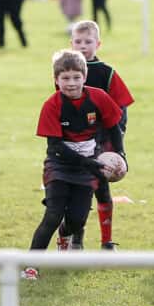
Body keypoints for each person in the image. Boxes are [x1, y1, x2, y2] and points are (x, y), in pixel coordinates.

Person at [20, 49, 126, 280]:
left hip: (87, 168)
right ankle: (31, 266)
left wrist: (120, 155)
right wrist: (87, 163)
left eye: (76, 77)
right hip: (59, 166)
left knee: (77, 219)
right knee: (53, 215)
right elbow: (55, 146)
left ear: (84, 77)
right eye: (65, 78)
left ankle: (64, 236)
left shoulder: (98, 98)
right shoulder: (52, 105)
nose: (71, 83)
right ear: (56, 80)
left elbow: (113, 127)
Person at [59, 20, 134, 250]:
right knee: (79, 190)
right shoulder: (65, 72)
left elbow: (122, 106)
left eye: (88, 41)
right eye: (78, 42)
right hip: (77, 142)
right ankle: (76, 238)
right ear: (71, 43)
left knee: (102, 188)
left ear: (98, 44)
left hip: (103, 140)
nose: (83, 46)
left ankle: (106, 241)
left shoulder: (106, 72)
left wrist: (117, 138)